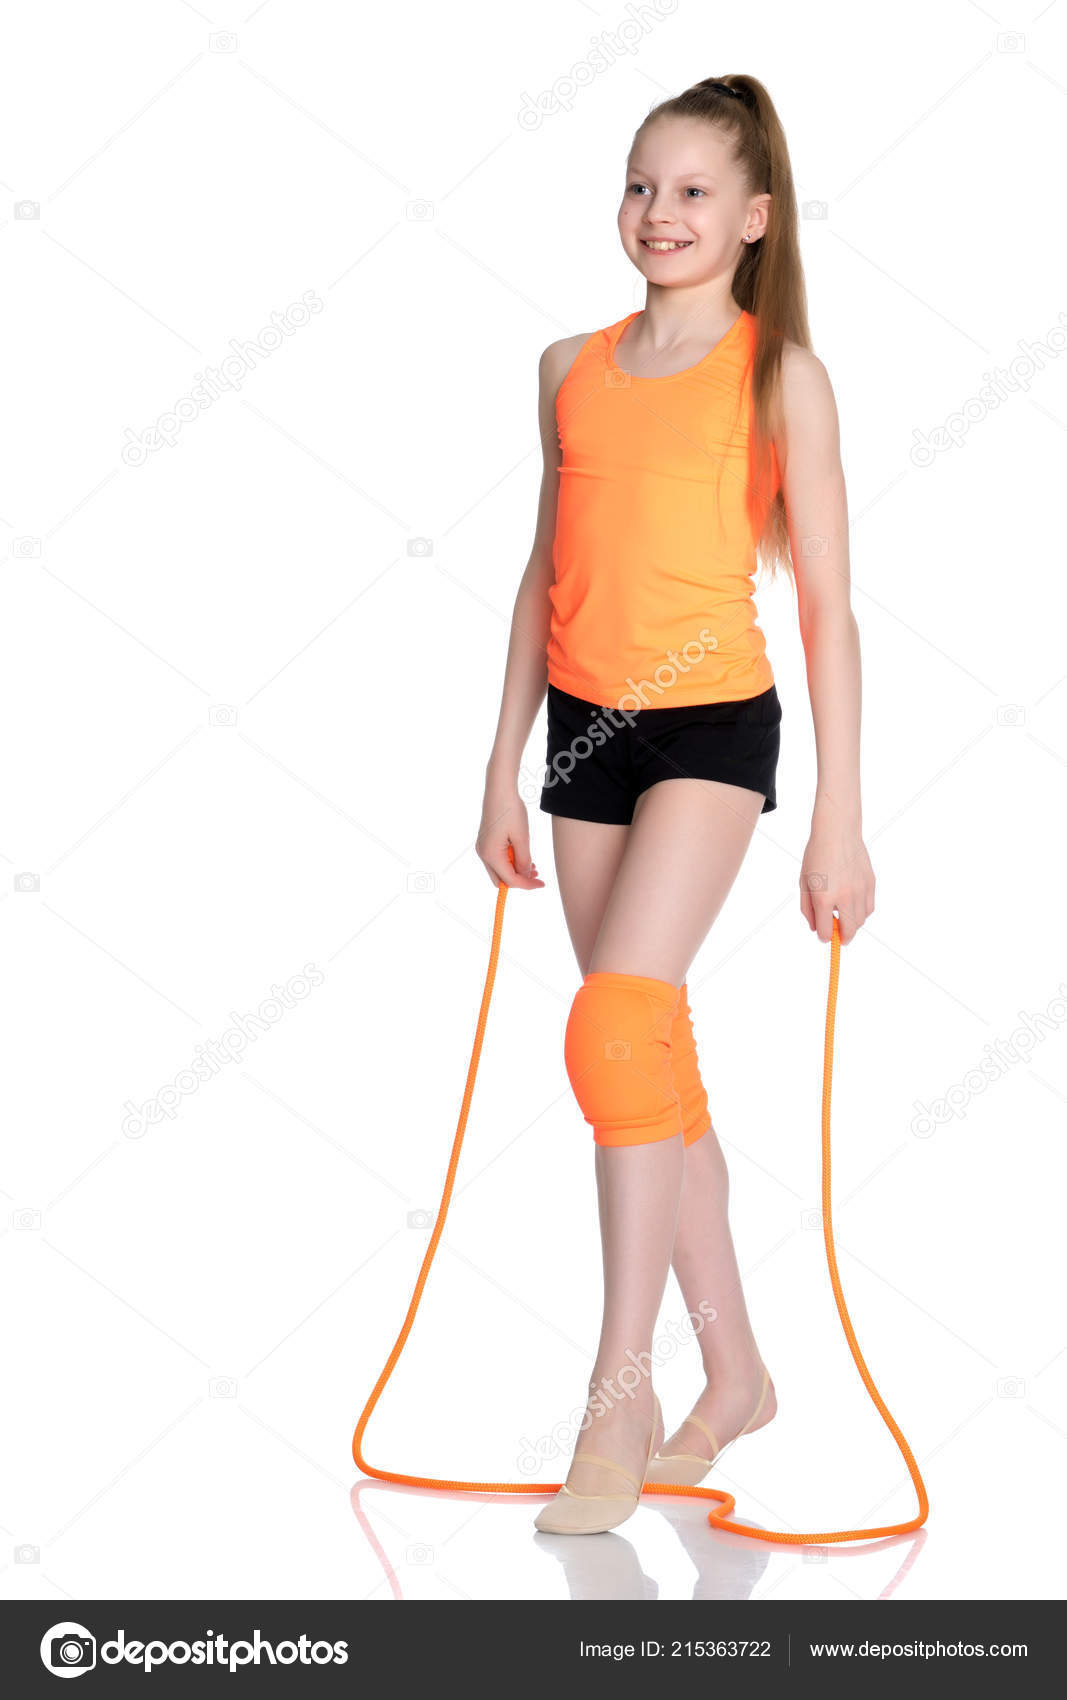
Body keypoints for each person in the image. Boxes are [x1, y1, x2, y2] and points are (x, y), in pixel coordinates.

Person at [476, 74, 875, 1536]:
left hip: (713, 725)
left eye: (695, 191)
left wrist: (839, 816)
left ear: (755, 217)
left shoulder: (782, 377)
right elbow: (543, 571)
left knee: (613, 1024)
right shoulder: (566, 366)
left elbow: (829, 606)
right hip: (585, 737)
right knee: (646, 1066)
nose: (661, 214)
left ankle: (617, 1394)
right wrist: (502, 766)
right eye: (642, 186)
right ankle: (740, 1375)